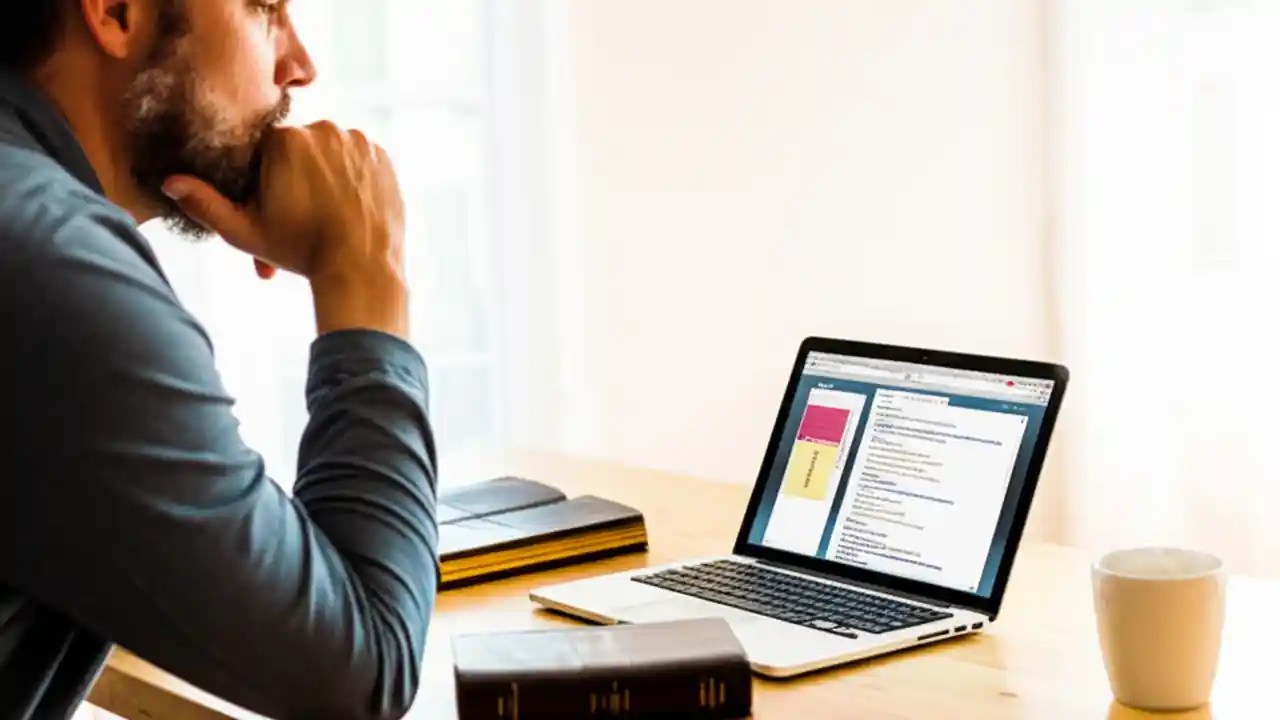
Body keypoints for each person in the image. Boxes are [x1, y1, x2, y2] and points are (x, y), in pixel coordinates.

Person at [0, 1, 440, 718]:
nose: (299, 64)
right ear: (114, 12)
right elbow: (362, 673)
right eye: (262, 8)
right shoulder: (51, 260)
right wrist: (362, 276)